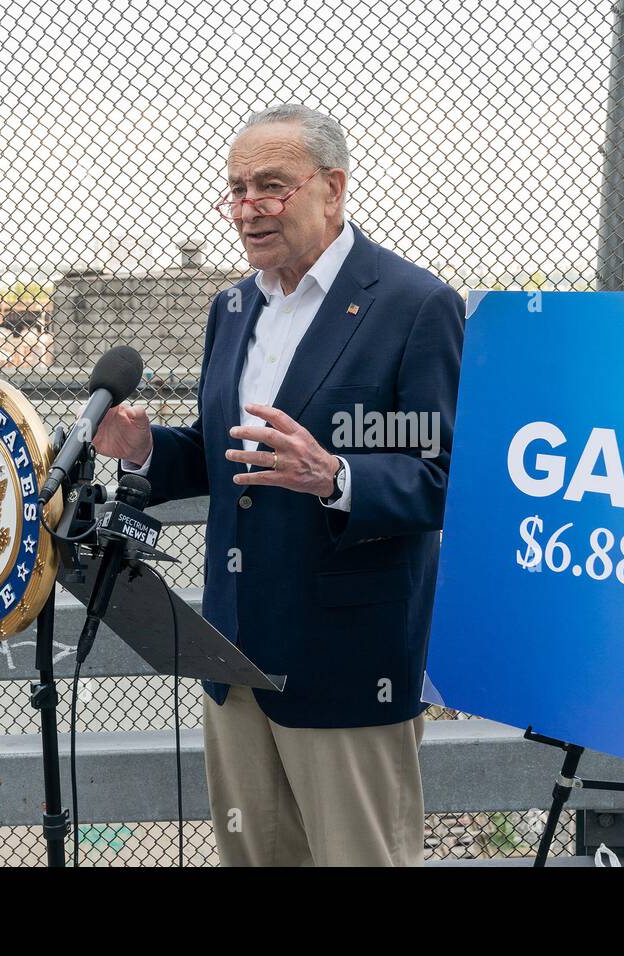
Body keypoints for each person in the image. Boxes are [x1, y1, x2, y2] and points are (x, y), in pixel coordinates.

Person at [93, 104, 464, 866]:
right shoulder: (232, 308)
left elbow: (444, 475)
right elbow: (222, 454)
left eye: (270, 185)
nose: (247, 207)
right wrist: (142, 451)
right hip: (233, 658)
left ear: (333, 188)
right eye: (235, 189)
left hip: (349, 662)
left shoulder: (414, 305)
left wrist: (336, 476)